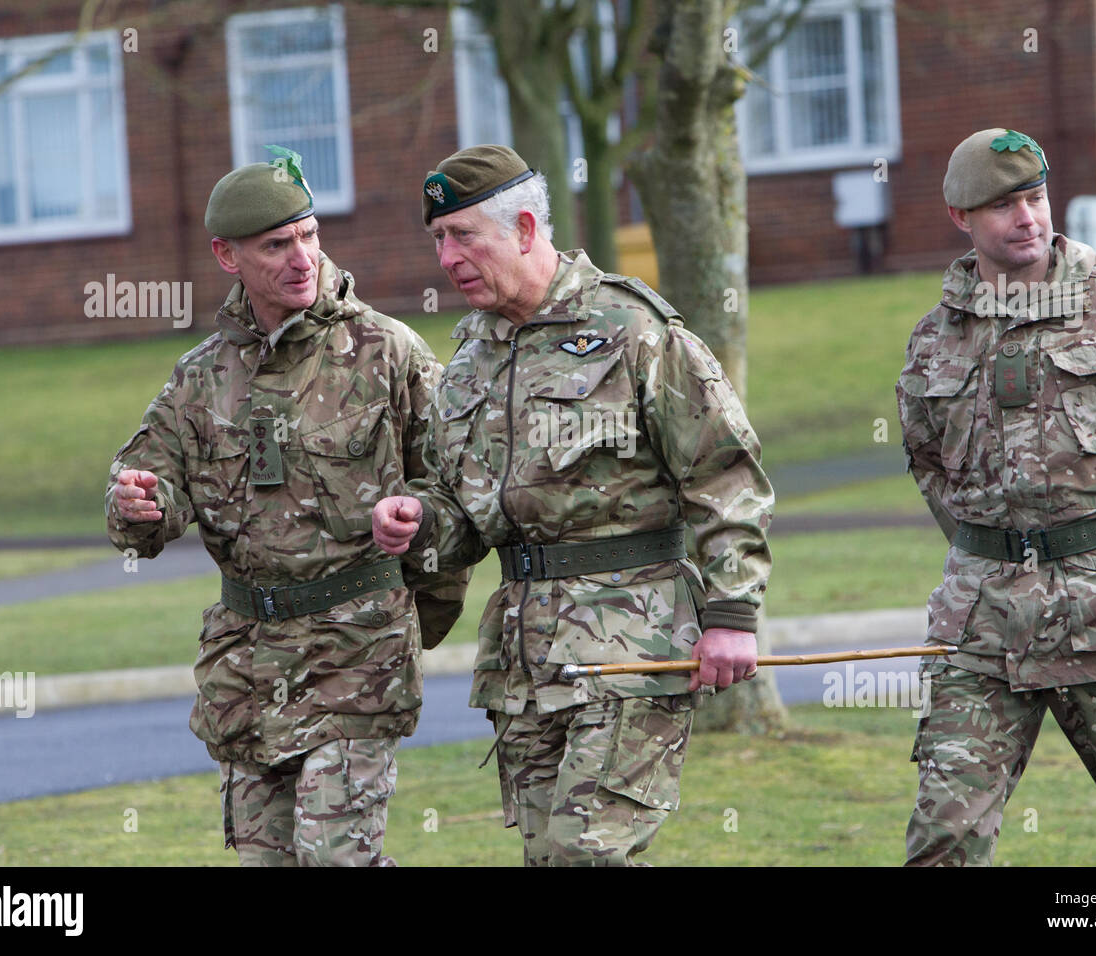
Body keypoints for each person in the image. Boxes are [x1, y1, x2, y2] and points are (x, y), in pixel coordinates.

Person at [371, 144, 773, 866]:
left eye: (464, 235)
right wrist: (419, 520)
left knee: (589, 856)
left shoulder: (633, 329)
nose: (447, 257)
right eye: (437, 239)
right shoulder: (468, 362)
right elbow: (466, 515)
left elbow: (724, 472)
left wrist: (734, 614)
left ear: (525, 229)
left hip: (632, 642)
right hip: (524, 660)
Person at [105, 150, 468, 866]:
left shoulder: (388, 354)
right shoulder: (201, 375)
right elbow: (151, 490)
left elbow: (461, 492)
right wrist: (137, 505)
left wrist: (418, 520)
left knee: (335, 858)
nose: (302, 258)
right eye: (277, 245)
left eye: (309, 234)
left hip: (355, 655)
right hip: (247, 667)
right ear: (227, 255)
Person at [897, 127, 1096, 866]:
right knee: (942, 838)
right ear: (961, 217)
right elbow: (929, 465)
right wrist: (998, 557)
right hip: (981, 627)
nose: (1028, 217)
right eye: (1004, 204)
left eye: (1036, 197)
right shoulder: (933, 342)